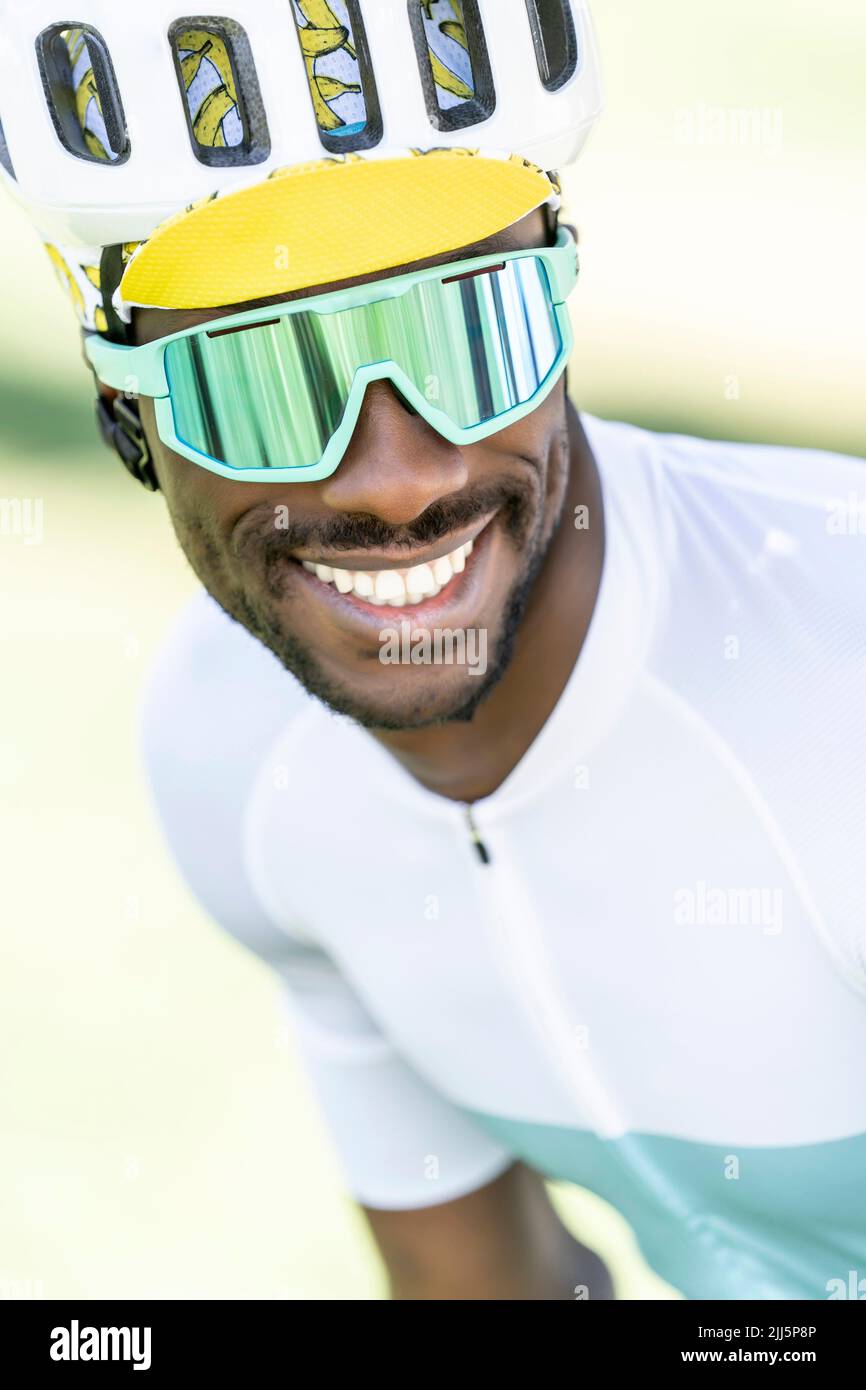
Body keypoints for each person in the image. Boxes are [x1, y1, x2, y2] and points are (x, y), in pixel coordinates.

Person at [3, 1, 864, 1301]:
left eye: (473, 330)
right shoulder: (226, 751)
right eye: (265, 376)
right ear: (128, 414)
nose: (398, 479)